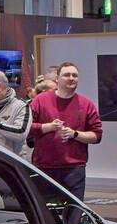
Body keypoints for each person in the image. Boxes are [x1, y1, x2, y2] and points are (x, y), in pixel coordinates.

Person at [28, 61, 102, 200]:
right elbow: (26, 128)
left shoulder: (86, 104)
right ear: (57, 79)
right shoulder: (40, 100)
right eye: (67, 75)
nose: (71, 78)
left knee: (73, 213)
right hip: (44, 167)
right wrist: (48, 127)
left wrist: (75, 134)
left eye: (75, 75)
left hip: (74, 169)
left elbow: (96, 136)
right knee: (45, 213)